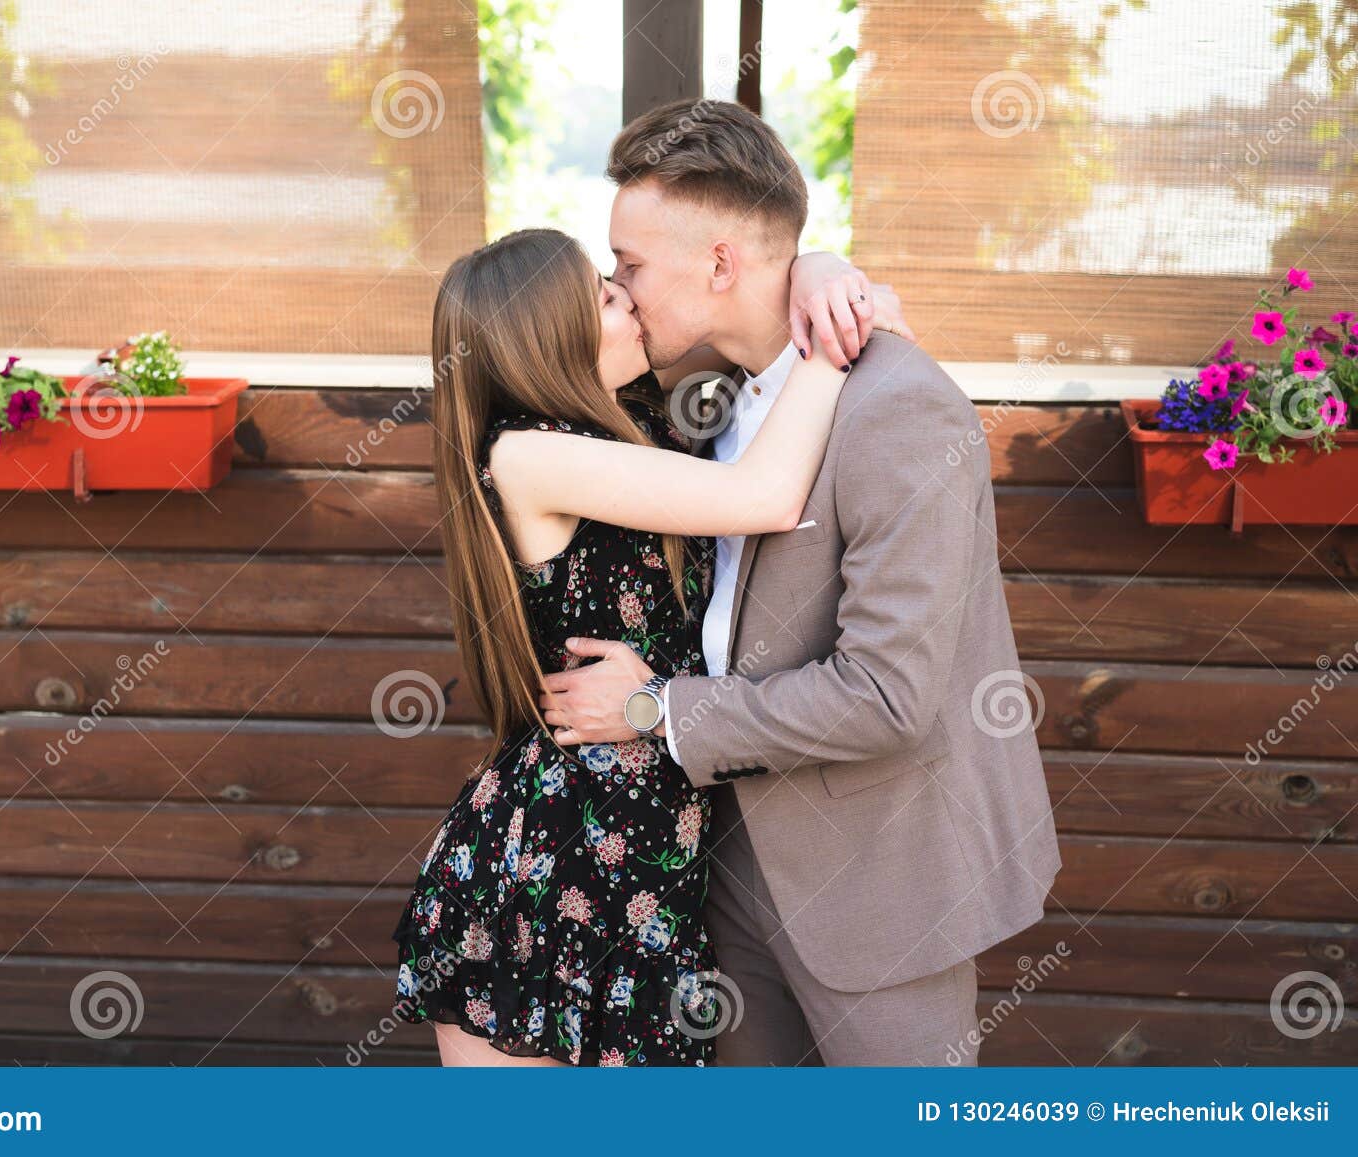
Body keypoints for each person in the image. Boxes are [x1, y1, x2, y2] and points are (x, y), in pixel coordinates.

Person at [537, 99, 1063, 1066]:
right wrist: (824, 266)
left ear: (723, 264)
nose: (618, 286)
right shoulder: (694, 387)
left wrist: (657, 709)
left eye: (632, 265)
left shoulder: (902, 412)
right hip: (728, 863)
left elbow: (889, 697)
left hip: (882, 879)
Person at [390, 223, 908, 1066]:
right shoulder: (529, 455)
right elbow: (765, 494)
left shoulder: (635, 424)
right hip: (555, 863)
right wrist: (832, 343)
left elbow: (747, 282)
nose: (627, 298)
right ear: (547, 337)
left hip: (646, 855)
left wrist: (819, 272)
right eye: (603, 293)